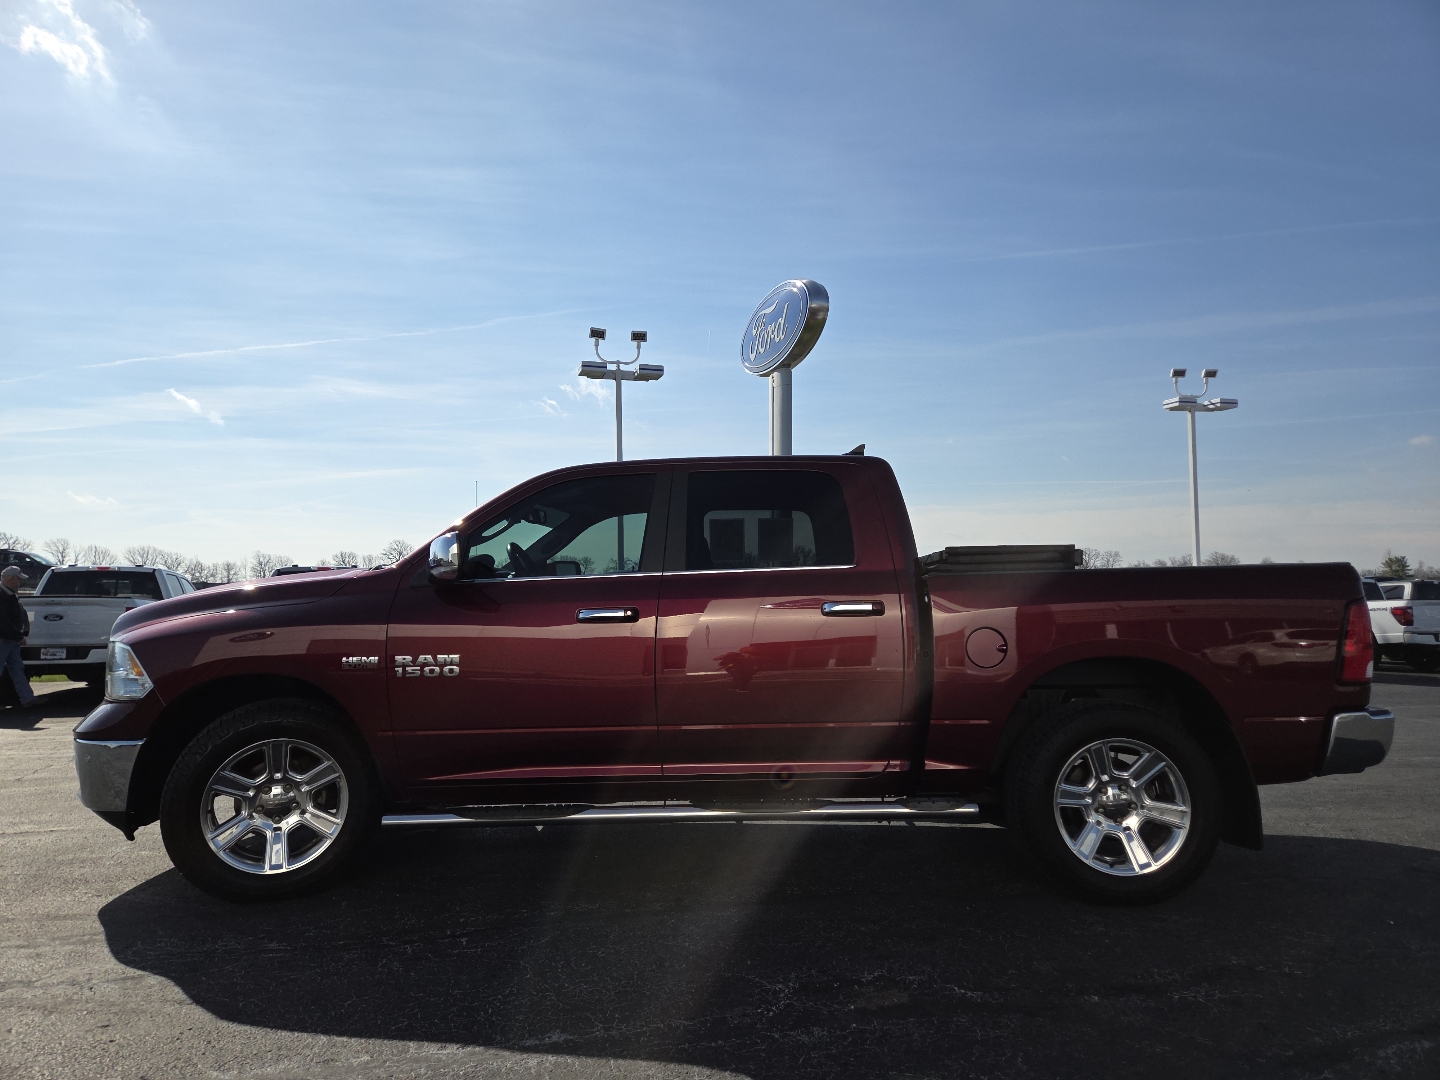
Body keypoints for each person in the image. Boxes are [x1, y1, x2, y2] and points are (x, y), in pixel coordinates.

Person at [1, 565, 38, 709]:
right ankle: (27, 698)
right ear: (10, 579)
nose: (19, 582)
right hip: (4, 638)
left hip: (10, 639)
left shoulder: (9, 593)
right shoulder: (2, 595)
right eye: (18, 579)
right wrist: (18, 636)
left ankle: (27, 698)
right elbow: (3, 621)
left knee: (17, 668)